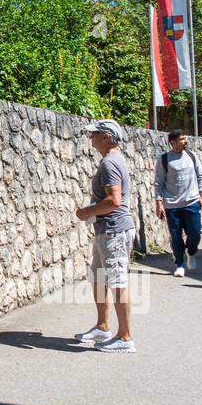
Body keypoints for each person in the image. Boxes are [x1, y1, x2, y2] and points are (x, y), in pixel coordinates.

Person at [74, 119, 137, 352]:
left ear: (108, 137)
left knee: (118, 282)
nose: (91, 138)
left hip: (114, 230)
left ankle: (125, 337)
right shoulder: (110, 160)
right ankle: (102, 327)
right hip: (107, 230)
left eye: (95, 134)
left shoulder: (110, 163)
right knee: (99, 277)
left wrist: (86, 211)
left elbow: (114, 200)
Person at [155, 129, 202, 277]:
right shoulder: (164, 159)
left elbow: (200, 176)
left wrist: (201, 195)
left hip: (192, 202)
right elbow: (158, 183)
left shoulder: (191, 155)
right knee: (176, 236)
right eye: (182, 139)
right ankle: (179, 263)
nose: (186, 141)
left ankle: (191, 252)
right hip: (172, 205)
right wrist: (159, 203)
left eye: (186, 138)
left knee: (195, 233)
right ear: (173, 142)